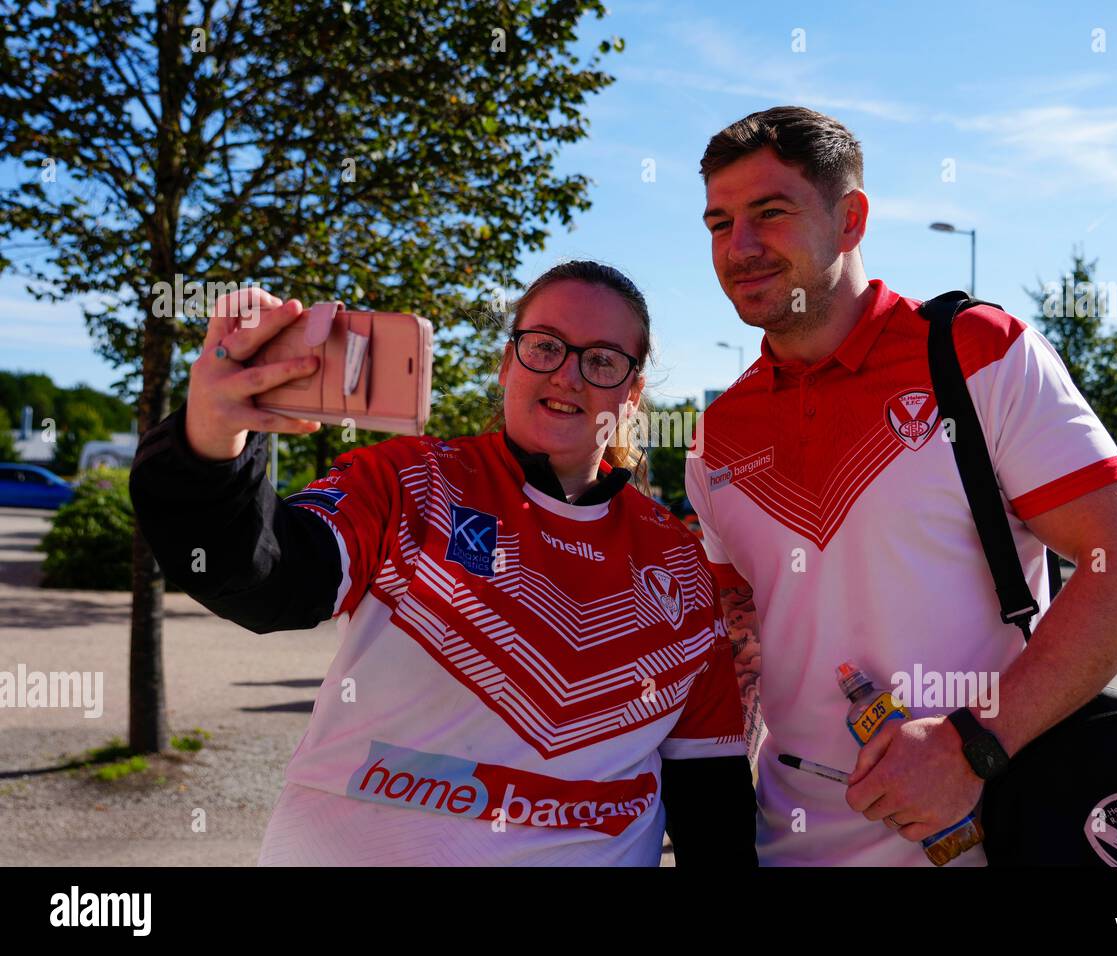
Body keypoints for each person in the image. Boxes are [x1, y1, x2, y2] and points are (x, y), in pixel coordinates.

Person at [129, 261, 755, 866]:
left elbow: (711, 797)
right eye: (545, 346)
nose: (569, 376)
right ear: (508, 361)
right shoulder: (412, 480)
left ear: (633, 390)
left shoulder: (677, 558)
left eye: (601, 360)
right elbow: (269, 580)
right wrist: (212, 442)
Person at [686, 106, 1117, 866]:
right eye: (719, 223)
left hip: (990, 828)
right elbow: (741, 638)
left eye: (770, 213)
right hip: (790, 844)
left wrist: (971, 745)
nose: (739, 247)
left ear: (850, 219)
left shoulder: (977, 350)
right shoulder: (718, 432)